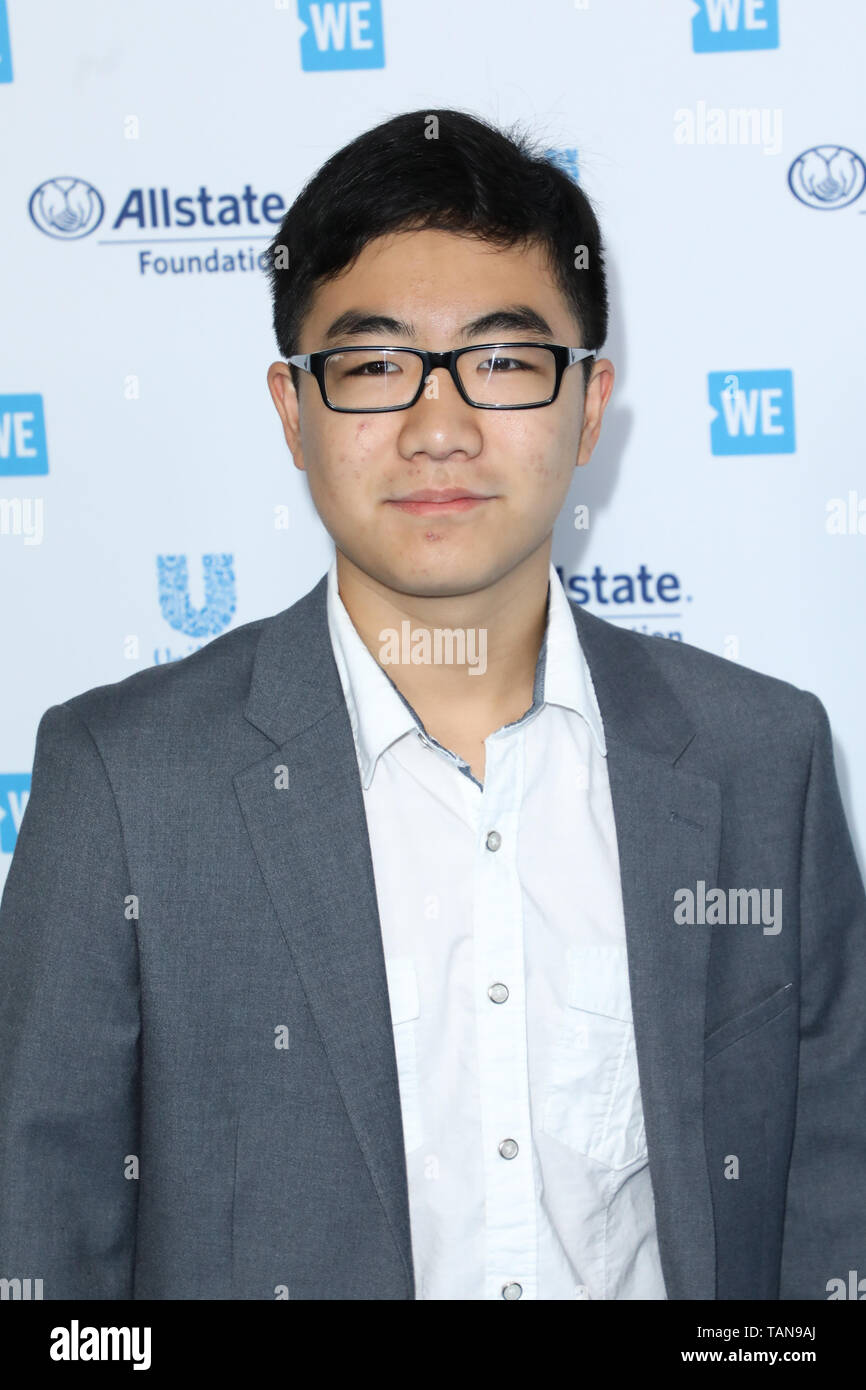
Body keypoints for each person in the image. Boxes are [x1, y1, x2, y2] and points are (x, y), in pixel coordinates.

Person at [1, 108, 864, 1301]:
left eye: (503, 363)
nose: (440, 427)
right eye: (372, 366)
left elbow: (830, 1200)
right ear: (293, 412)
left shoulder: (763, 756)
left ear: (588, 401)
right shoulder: (125, 776)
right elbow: (40, 1229)